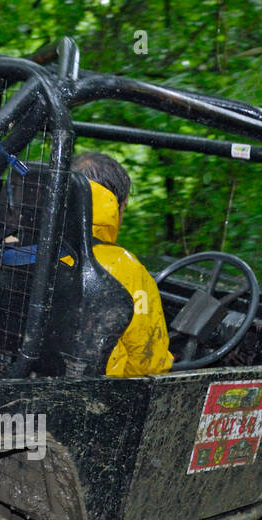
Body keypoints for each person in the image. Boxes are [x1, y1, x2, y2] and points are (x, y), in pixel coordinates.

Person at [70, 152, 173, 377]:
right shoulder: (127, 270)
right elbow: (149, 364)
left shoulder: (27, 248)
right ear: (119, 205)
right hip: (99, 395)